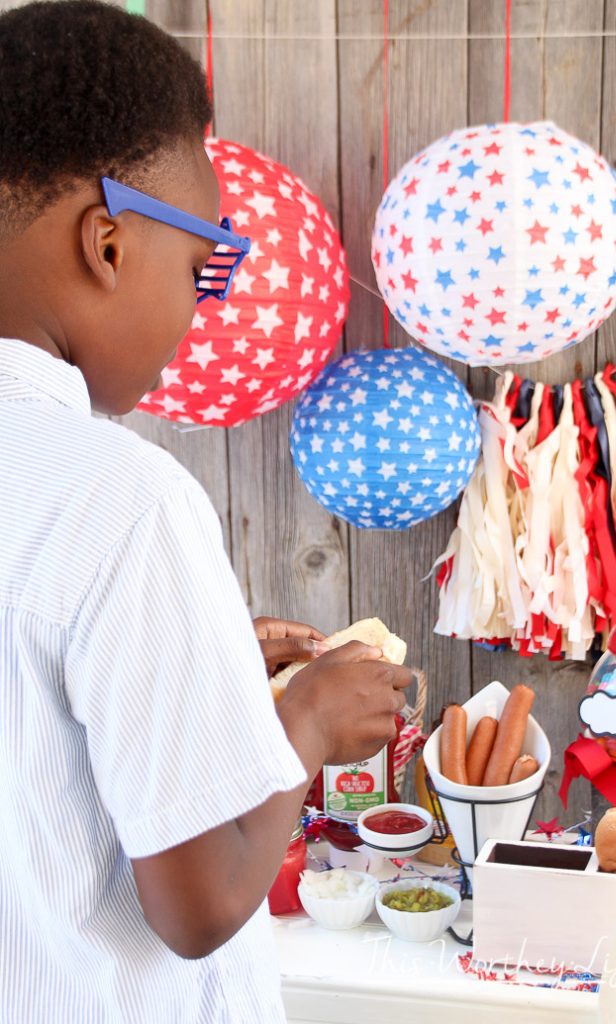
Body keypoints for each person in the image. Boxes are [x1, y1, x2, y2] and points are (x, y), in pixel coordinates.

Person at [0, 3, 412, 1021]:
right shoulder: (119, 497)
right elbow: (197, 904)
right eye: (201, 269)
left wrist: (206, 652)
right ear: (106, 243)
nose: (196, 314)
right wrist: (303, 723)